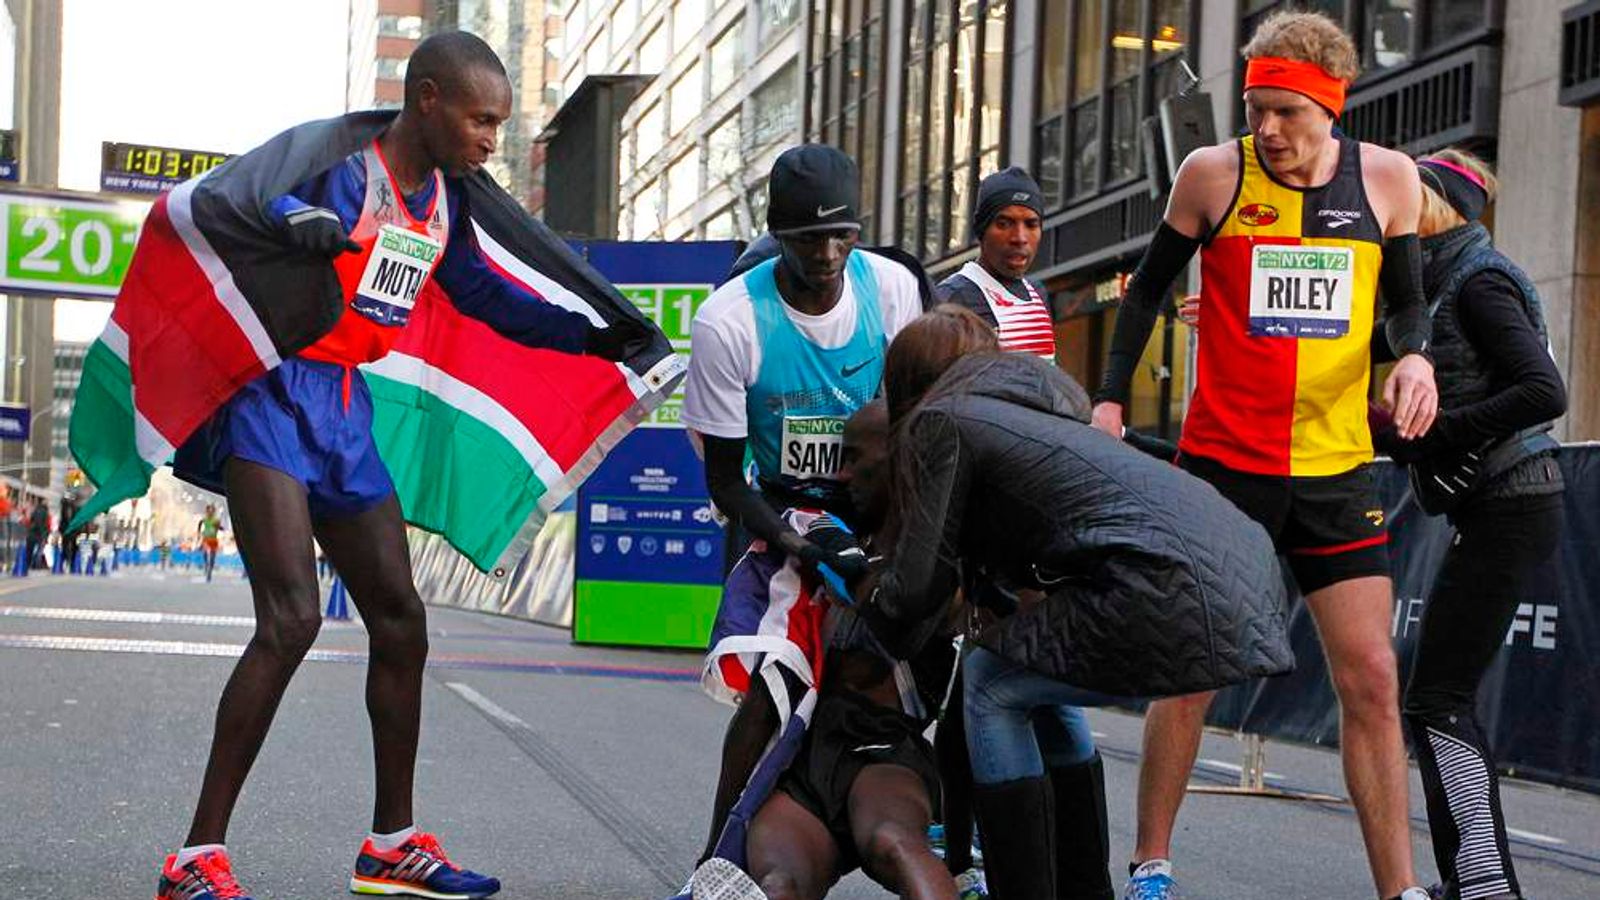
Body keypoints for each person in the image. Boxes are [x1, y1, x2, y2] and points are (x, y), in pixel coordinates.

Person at [153, 32, 650, 900]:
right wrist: (289, 223)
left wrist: (591, 336)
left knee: (401, 619)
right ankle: (194, 857)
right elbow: (231, 208)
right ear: (427, 99)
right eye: (480, 118)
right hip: (271, 395)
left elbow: (488, 298)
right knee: (292, 620)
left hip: (345, 407)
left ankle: (391, 844)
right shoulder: (340, 166)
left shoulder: (444, 203)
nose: (491, 138)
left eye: (499, 122)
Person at [1087, 12, 1439, 900]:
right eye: (1255, 108)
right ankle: (1152, 867)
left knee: (1372, 678)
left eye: (1284, 111)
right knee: (1195, 665)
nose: (1266, 130)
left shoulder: (1389, 180)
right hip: (1225, 466)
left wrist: (1417, 360)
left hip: (1335, 468)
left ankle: (1398, 889)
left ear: (1330, 109)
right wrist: (1110, 395)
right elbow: (1145, 293)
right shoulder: (1213, 174)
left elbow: (1405, 307)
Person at [853, 306, 1293, 899]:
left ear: (908, 384)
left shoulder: (942, 419)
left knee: (990, 682)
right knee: (1035, 675)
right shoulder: (1043, 409)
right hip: (1246, 573)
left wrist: (863, 584)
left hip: (1167, 585)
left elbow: (916, 587)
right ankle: (1086, 890)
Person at [681, 143, 925, 869]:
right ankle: (716, 861)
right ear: (776, 236)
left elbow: (923, 422)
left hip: (885, 506)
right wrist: (802, 547)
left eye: (840, 235)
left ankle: (958, 847)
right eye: (806, 239)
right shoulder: (729, 321)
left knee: (948, 673)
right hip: (785, 514)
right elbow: (727, 484)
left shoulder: (889, 290)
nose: (825, 254)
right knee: (773, 686)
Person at [1377, 150, 1565, 900]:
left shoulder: (1478, 281)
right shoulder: (1426, 284)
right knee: (1436, 697)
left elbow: (1543, 391)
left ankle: (1484, 884)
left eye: (1406, 189)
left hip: (1513, 502)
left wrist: (1441, 434)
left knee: (1436, 699)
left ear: (1439, 201)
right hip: (1500, 504)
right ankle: (1479, 883)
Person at [933, 168, 1111, 899]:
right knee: (976, 681)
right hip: (990, 516)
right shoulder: (960, 299)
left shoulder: (1033, 296)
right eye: (1005, 223)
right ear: (981, 228)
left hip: (1035, 509)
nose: (1020, 236)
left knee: (993, 683)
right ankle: (961, 854)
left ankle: (985, 857)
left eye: (1031, 224)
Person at [739, 401, 958, 900]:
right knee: (778, 885)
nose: (841, 472)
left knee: (893, 842)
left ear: (902, 462)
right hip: (806, 764)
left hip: (884, 758)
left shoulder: (937, 559)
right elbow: (759, 706)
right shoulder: (822, 540)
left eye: (857, 457)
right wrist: (717, 846)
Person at [197, 504, 224, 583]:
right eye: (208, 511)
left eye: (212, 511)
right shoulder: (204, 519)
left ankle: (210, 571)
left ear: (214, 512)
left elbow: (221, 528)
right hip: (206, 539)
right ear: (206, 511)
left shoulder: (216, 520)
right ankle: (206, 564)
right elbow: (200, 523)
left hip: (213, 539)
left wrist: (218, 527)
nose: (210, 512)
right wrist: (198, 533)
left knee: (212, 557)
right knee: (204, 552)